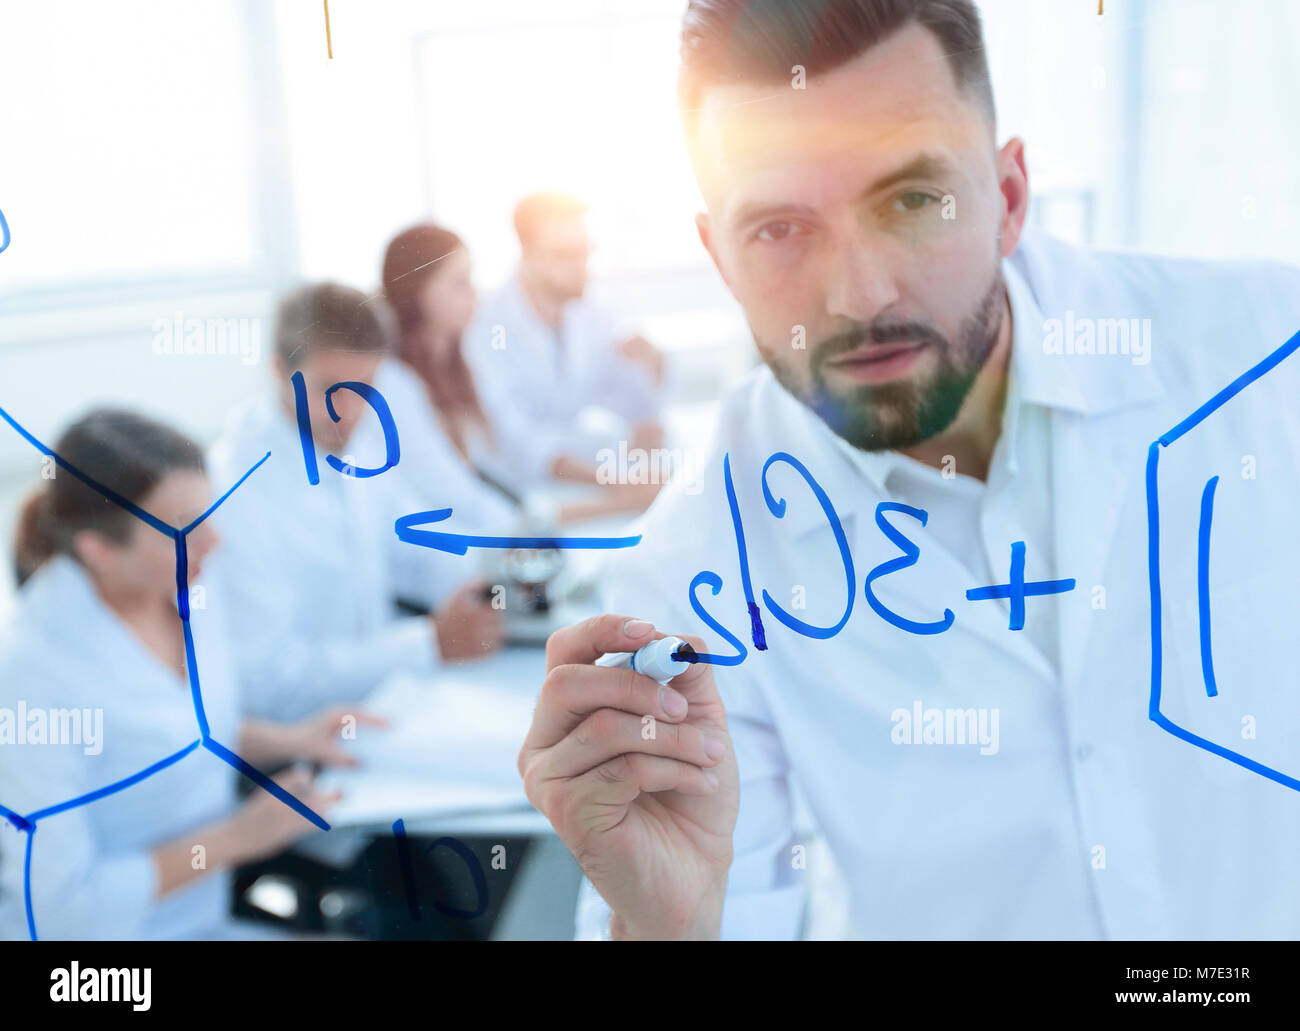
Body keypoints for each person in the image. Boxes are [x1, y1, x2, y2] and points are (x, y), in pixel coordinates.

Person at [518, 0, 1300, 939]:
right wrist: (671, 924)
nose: (861, 295)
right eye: (778, 229)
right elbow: (720, 906)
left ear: (1009, 197)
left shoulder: (1262, 352)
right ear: (718, 254)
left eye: (912, 200)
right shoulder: (694, 568)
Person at [0, 409, 367, 940]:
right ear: (98, 550)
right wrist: (241, 837)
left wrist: (291, 738)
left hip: (203, 920)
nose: (215, 541)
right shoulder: (32, 679)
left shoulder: (186, 582)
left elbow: (169, 734)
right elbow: (64, 912)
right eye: (185, 528)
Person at [209, 282, 503, 723]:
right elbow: (264, 686)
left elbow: (414, 543)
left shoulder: (354, 443)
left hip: (389, 704)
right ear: (276, 370)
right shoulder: (233, 491)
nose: (346, 412)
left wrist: (503, 570)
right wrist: (427, 644)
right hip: (305, 745)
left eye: (364, 386)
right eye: (328, 388)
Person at [380, 222, 662, 522]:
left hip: (523, 505)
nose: (474, 295)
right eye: (459, 283)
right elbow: (473, 506)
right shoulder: (397, 386)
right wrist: (618, 498)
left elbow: (498, 476)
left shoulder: (456, 366)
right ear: (417, 291)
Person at [464, 193, 667, 473]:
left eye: (585, 251)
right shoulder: (488, 328)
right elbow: (512, 438)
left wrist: (652, 365)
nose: (581, 265)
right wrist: (604, 477)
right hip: (520, 485)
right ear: (527, 252)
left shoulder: (591, 314)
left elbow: (629, 406)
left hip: (580, 474)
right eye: (565, 254)